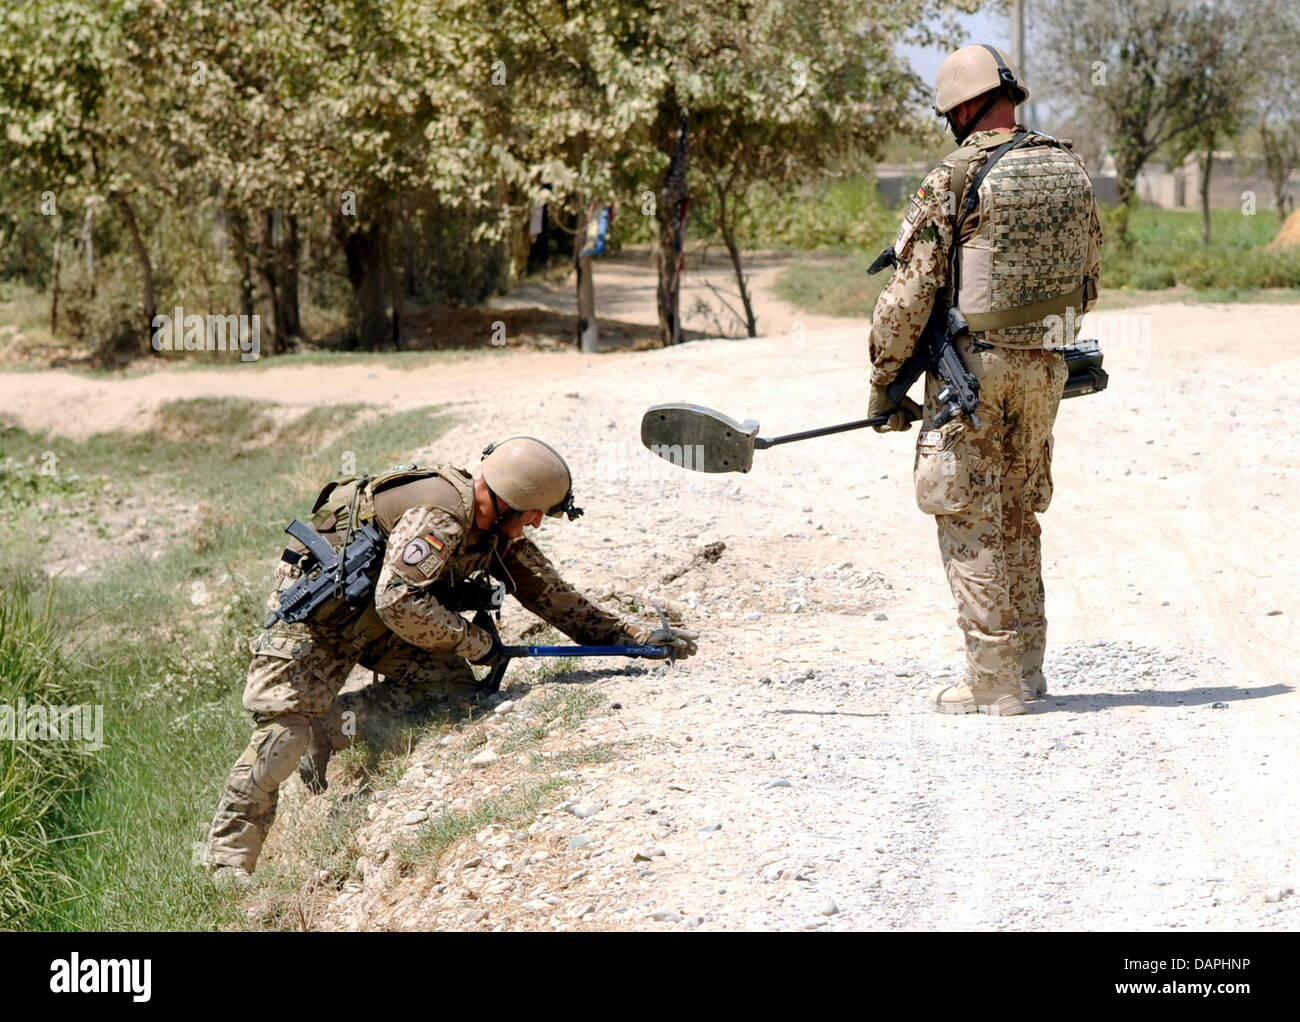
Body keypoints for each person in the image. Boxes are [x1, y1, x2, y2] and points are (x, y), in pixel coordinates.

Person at [205, 437, 697, 883]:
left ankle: (331, 730)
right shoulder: (440, 516)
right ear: (504, 500)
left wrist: (629, 637)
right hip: (315, 625)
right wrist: (476, 644)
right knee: (281, 735)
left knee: (451, 692)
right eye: (531, 512)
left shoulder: (498, 529)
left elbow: (550, 595)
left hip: (378, 624)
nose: (536, 523)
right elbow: (399, 600)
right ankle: (228, 860)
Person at [866, 44, 1102, 717]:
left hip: (974, 367)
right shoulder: (1069, 166)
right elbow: (1089, 272)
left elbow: (908, 295)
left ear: (964, 108)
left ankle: (995, 685)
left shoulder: (957, 173)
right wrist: (1047, 346)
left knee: (968, 512)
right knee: (1019, 508)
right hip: (1047, 361)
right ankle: (1026, 670)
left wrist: (885, 382)